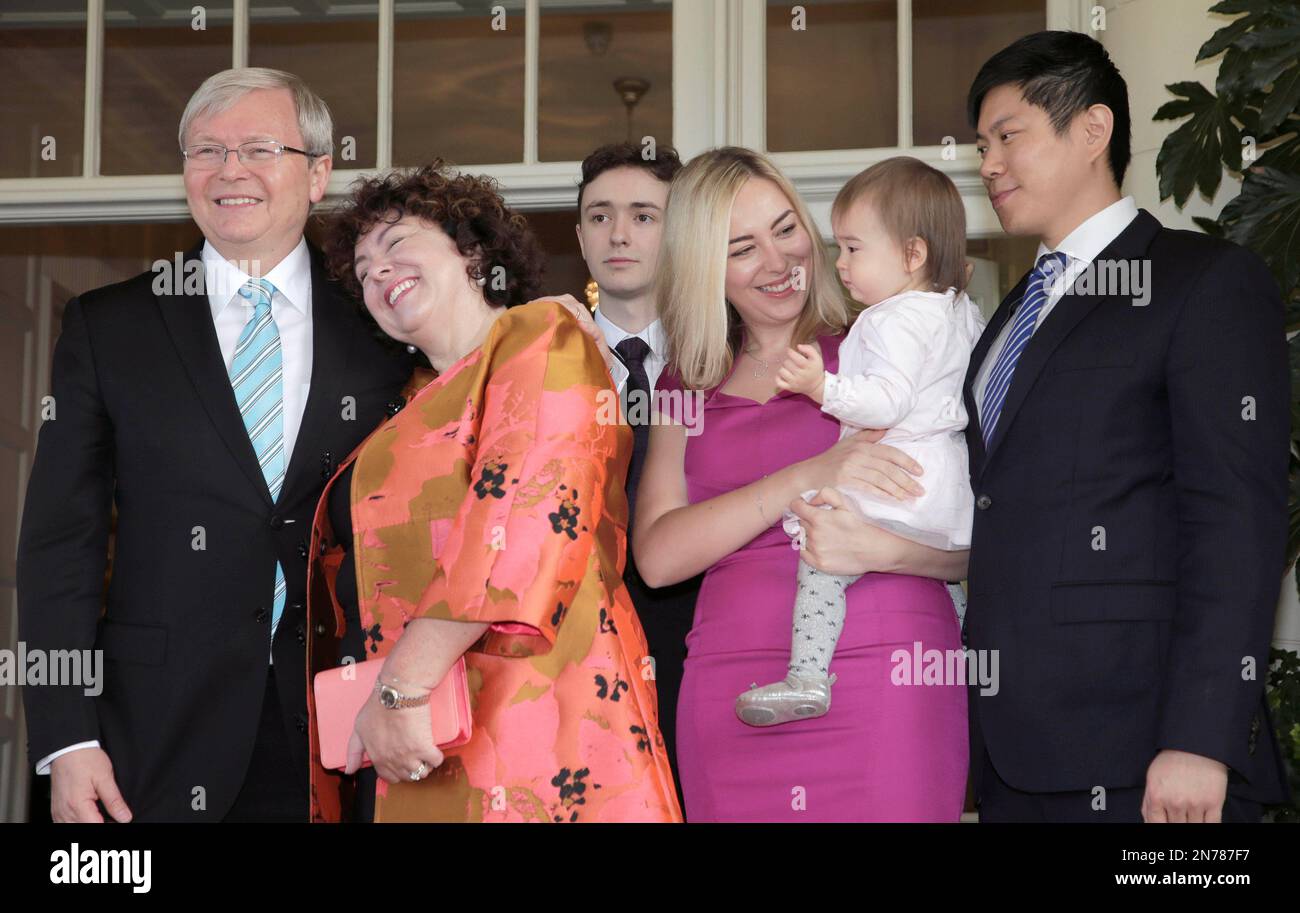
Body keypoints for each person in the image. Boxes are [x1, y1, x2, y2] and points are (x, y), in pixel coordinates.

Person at [16, 68, 412, 821]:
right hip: (147, 745)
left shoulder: (384, 331)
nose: (230, 169)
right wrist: (67, 741)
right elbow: (57, 547)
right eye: (206, 150)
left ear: (318, 172)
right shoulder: (110, 329)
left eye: (259, 147)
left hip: (346, 738)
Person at [962, 30, 1291, 821]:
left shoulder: (1204, 281)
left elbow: (1235, 520)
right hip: (1012, 755)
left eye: (1008, 136)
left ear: (1093, 131)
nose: (988, 165)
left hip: (1152, 760)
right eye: (980, 145)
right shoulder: (1006, 318)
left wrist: (1202, 737)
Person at [308, 162, 683, 823]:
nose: (377, 272)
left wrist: (399, 689)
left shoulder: (545, 334)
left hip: (535, 723)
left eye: (396, 244)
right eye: (362, 270)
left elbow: (525, 517)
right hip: (419, 747)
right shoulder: (402, 407)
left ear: (472, 250)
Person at [634, 146, 969, 822]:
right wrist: (808, 474)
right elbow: (658, 557)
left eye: (786, 230)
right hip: (729, 677)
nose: (778, 260)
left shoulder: (885, 348)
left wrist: (884, 550)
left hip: (887, 665)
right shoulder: (681, 385)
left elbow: (975, 543)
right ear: (705, 266)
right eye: (742, 247)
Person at [736, 156, 985, 727]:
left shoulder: (891, 318)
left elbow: (888, 400)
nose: (840, 265)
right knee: (944, 587)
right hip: (943, 488)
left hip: (897, 479)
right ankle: (967, 663)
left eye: (853, 248)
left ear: (912, 254)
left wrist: (819, 385)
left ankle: (807, 675)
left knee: (822, 564)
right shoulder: (957, 311)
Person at [573, 142, 699, 798]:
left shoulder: (725, 359)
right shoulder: (538, 357)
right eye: (600, 216)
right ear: (579, 234)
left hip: (702, 650)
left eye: (644, 216)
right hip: (576, 658)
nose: (618, 233)